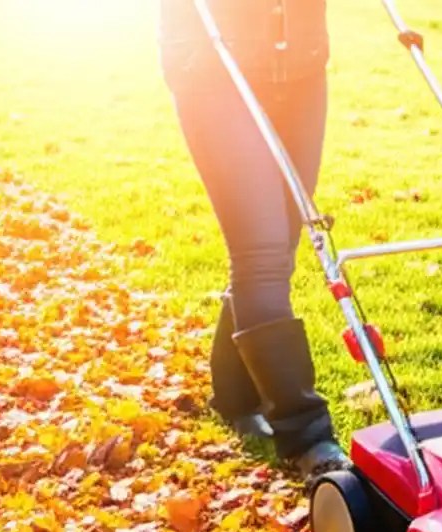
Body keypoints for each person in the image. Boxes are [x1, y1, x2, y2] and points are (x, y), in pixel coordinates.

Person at [157, 0, 349, 479]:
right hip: (213, 68)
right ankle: (308, 436)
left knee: (277, 250)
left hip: (303, 70)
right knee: (262, 255)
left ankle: (235, 398)